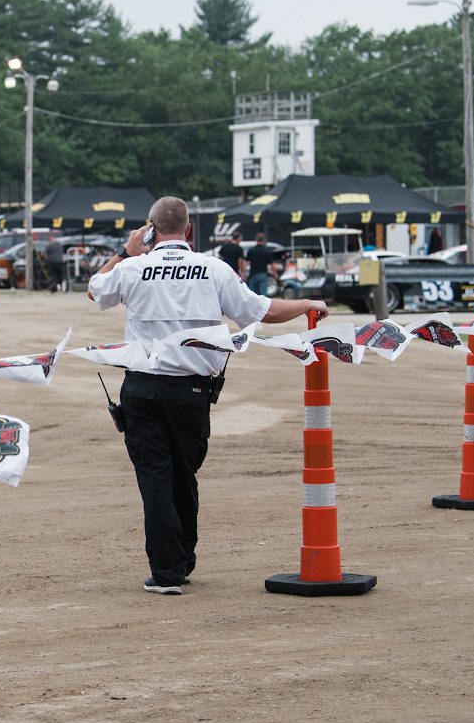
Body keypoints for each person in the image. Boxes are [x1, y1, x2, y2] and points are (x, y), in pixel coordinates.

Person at [88, 197, 329, 596]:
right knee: (184, 475)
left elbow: (95, 292)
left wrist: (125, 251)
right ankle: (181, 562)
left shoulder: (132, 267)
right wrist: (307, 303)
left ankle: (167, 571)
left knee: (155, 480)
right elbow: (262, 312)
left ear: (150, 229)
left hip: (143, 389)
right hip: (192, 391)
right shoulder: (215, 269)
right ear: (188, 231)